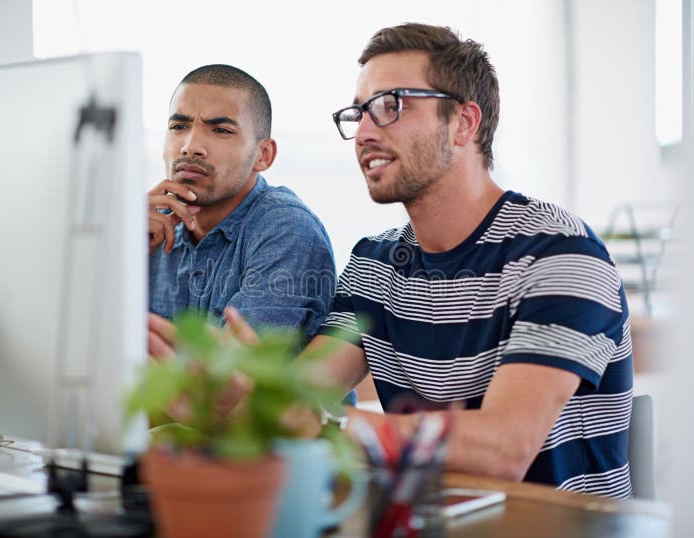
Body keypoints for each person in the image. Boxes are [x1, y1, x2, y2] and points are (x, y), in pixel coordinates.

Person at [228, 23, 634, 498]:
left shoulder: (562, 254)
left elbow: (502, 450)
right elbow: (300, 395)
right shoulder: (375, 264)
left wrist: (315, 418)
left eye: (389, 106)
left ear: (463, 122)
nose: (363, 133)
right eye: (358, 114)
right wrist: (237, 387)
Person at [147, 64, 336, 357]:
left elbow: (228, 378)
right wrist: (118, 257)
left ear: (263, 155)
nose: (190, 146)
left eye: (220, 130)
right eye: (178, 127)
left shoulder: (286, 228)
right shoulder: (148, 228)